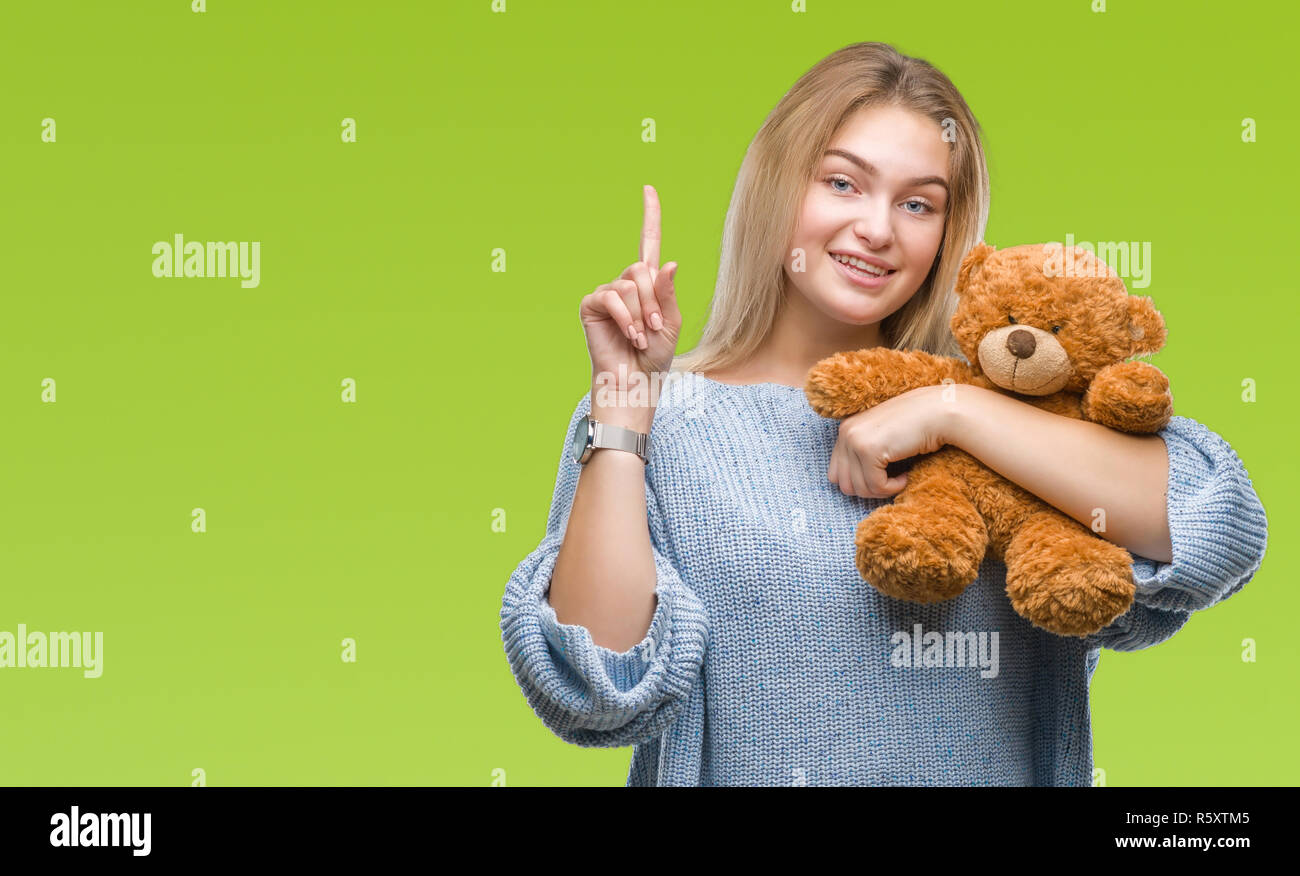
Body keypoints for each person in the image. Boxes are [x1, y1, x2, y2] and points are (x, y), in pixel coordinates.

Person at [499, 42, 1268, 786]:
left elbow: (1213, 523)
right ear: (779, 187)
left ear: (946, 236)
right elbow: (598, 685)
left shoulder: (1008, 406)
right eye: (842, 183)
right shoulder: (662, 422)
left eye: (917, 203)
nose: (877, 229)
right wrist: (624, 407)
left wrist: (954, 408)